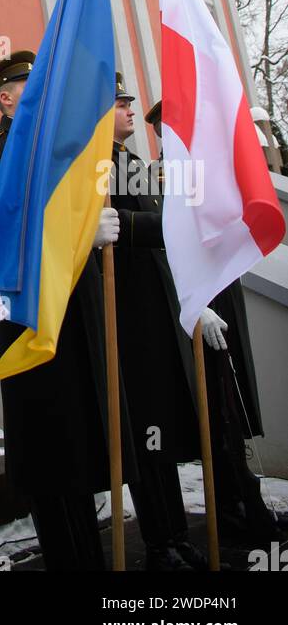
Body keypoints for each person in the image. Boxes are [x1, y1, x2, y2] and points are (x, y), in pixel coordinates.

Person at [0, 51, 128, 571]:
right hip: (27, 311)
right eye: (29, 83)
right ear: (6, 97)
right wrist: (79, 234)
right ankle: (67, 554)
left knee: (81, 434)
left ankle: (88, 551)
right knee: (46, 436)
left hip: (75, 303)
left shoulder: (61, 148)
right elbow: (6, 232)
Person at [145, 100, 284, 549]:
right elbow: (167, 247)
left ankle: (245, 503)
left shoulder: (203, 172)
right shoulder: (162, 178)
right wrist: (195, 304)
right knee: (218, 413)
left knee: (233, 413)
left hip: (223, 297)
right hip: (199, 305)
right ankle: (237, 511)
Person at [110, 75, 204, 571]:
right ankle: (159, 542)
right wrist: (166, 226)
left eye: (128, 102)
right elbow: (133, 225)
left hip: (154, 305)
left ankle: (175, 532)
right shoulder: (97, 165)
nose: (130, 110)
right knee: (146, 432)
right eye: (121, 103)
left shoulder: (130, 163)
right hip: (127, 315)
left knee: (162, 428)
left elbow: (167, 210)